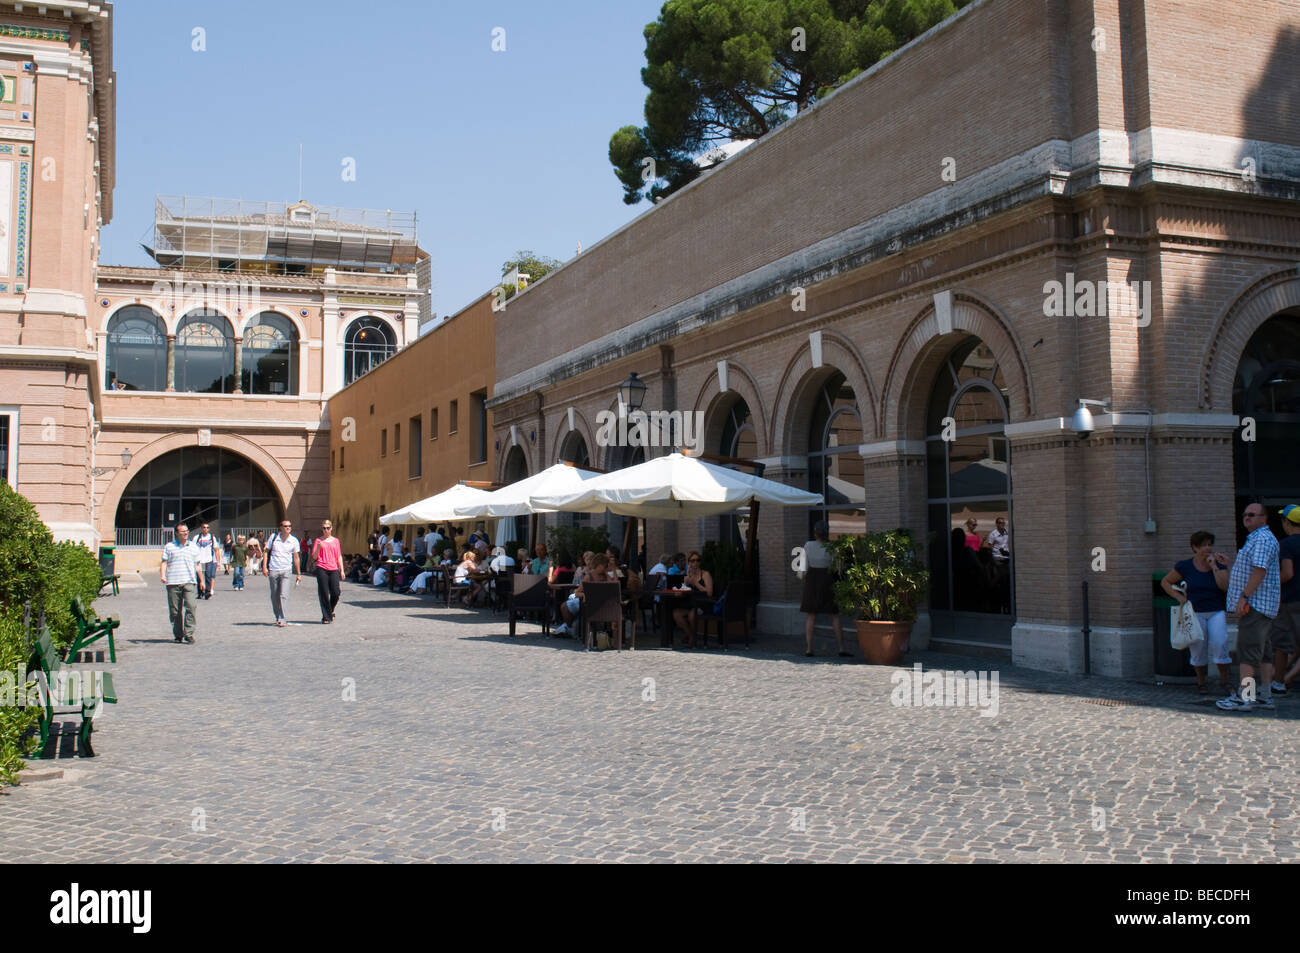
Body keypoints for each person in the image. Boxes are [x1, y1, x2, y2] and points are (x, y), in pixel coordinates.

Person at [1218, 502, 1281, 711]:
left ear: (1264, 518)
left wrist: (1244, 596)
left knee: (1248, 652)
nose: (1247, 517)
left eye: (1252, 514)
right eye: (1245, 514)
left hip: (1256, 605)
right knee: (1263, 652)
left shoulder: (1262, 539)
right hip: (1263, 606)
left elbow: (1259, 570)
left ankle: (1246, 697)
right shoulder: (1258, 539)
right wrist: (1230, 565)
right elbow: (1253, 568)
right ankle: (1265, 695)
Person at [1161, 530, 1231, 694]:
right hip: (1194, 612)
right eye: (1203, 545)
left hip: (1216, 610)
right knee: (1197, 647)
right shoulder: (1184, 566)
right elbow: (1165, 581)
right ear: (1195, 547)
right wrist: (1178, 597)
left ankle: (1224, 680)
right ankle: (1201, 682)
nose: (1207, 548)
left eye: (1209, 544)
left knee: (1220, 643)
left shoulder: (1219, 563)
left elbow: (1224, 586)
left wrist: (1214, 566)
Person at [801, 520, 848, 658]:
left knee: (811, 615)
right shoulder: (832, 547)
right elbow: (838, 567)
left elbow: (803, 567)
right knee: (834, 615)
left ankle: (809, 648)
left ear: (815, 532)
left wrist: (803, 576)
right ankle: (841, 647)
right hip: (828, 579)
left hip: (813, 580)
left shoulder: (808, 545)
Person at [1273, 505, 1300, 691]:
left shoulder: (1286, 545)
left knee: (1282, 643)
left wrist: (1270, 583)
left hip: (1291, 600)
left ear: (1287, 523)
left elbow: (1288, 573)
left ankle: (1281, 681)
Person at [160, 521, 199, 644]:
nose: (186, 533)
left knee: (191, 607)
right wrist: (162, 575)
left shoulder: (193, 546)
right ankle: (178, 634)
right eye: (183, 531)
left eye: (187, 531)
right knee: (175, 611)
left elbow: (197, 565)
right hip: (173, 582)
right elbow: (164, 562)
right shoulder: (169, 546)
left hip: (189, 581)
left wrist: (201, 580)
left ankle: (189, 633)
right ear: (177, 533)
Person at [264, 518, 302, 628]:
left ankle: (282, 618)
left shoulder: (294, 540)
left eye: (289, 526)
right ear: (281, 527)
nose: (288, 527)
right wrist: (264, 567)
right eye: (286, 526)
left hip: (286, 570)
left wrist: (298, 573)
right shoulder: (274, 537)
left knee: (283, 595)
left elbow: (296, 557)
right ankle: (277, 616)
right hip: (274, 569)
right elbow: (266, 552)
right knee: (275, 595)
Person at [672, 551, 713, 649]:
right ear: (689, 563)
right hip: (691, 604)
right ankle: (691, 635)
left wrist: (696, 583)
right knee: (676, 614)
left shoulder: (705, 574)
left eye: (698, 560)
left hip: (703, 604)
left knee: (692, 615)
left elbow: (709, 593)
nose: (695, 563)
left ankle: (691, 639)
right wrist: (683, 586)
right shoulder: (688, 576)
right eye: (692, 561)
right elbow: (683, 590)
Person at [311, 519, 343, 624]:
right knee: (324, 593)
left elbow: (338, 555)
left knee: (336, 592)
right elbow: (314, 557)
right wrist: (318, 548)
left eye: (328, 528)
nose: (326, 530)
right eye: (324, 528)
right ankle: (326, 616)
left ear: (331, 528)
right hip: (321, 568)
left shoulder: (336, 541)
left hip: (333, 568)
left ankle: (330, 610)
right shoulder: (318, 541)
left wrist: (342, 569)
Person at [194, 523, 218, 600]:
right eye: (204, 527)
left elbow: (216, 549)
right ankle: (200, 592)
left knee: (208, 576)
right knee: (199, 577)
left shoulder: (212, 537)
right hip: (199, 560)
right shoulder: (197, 537)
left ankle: (207, 593)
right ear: (201, 528)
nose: (205, 529)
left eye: (207, 527)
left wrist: (217, 561)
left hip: (209, 559)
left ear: (209, 529)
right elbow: (192, 548)